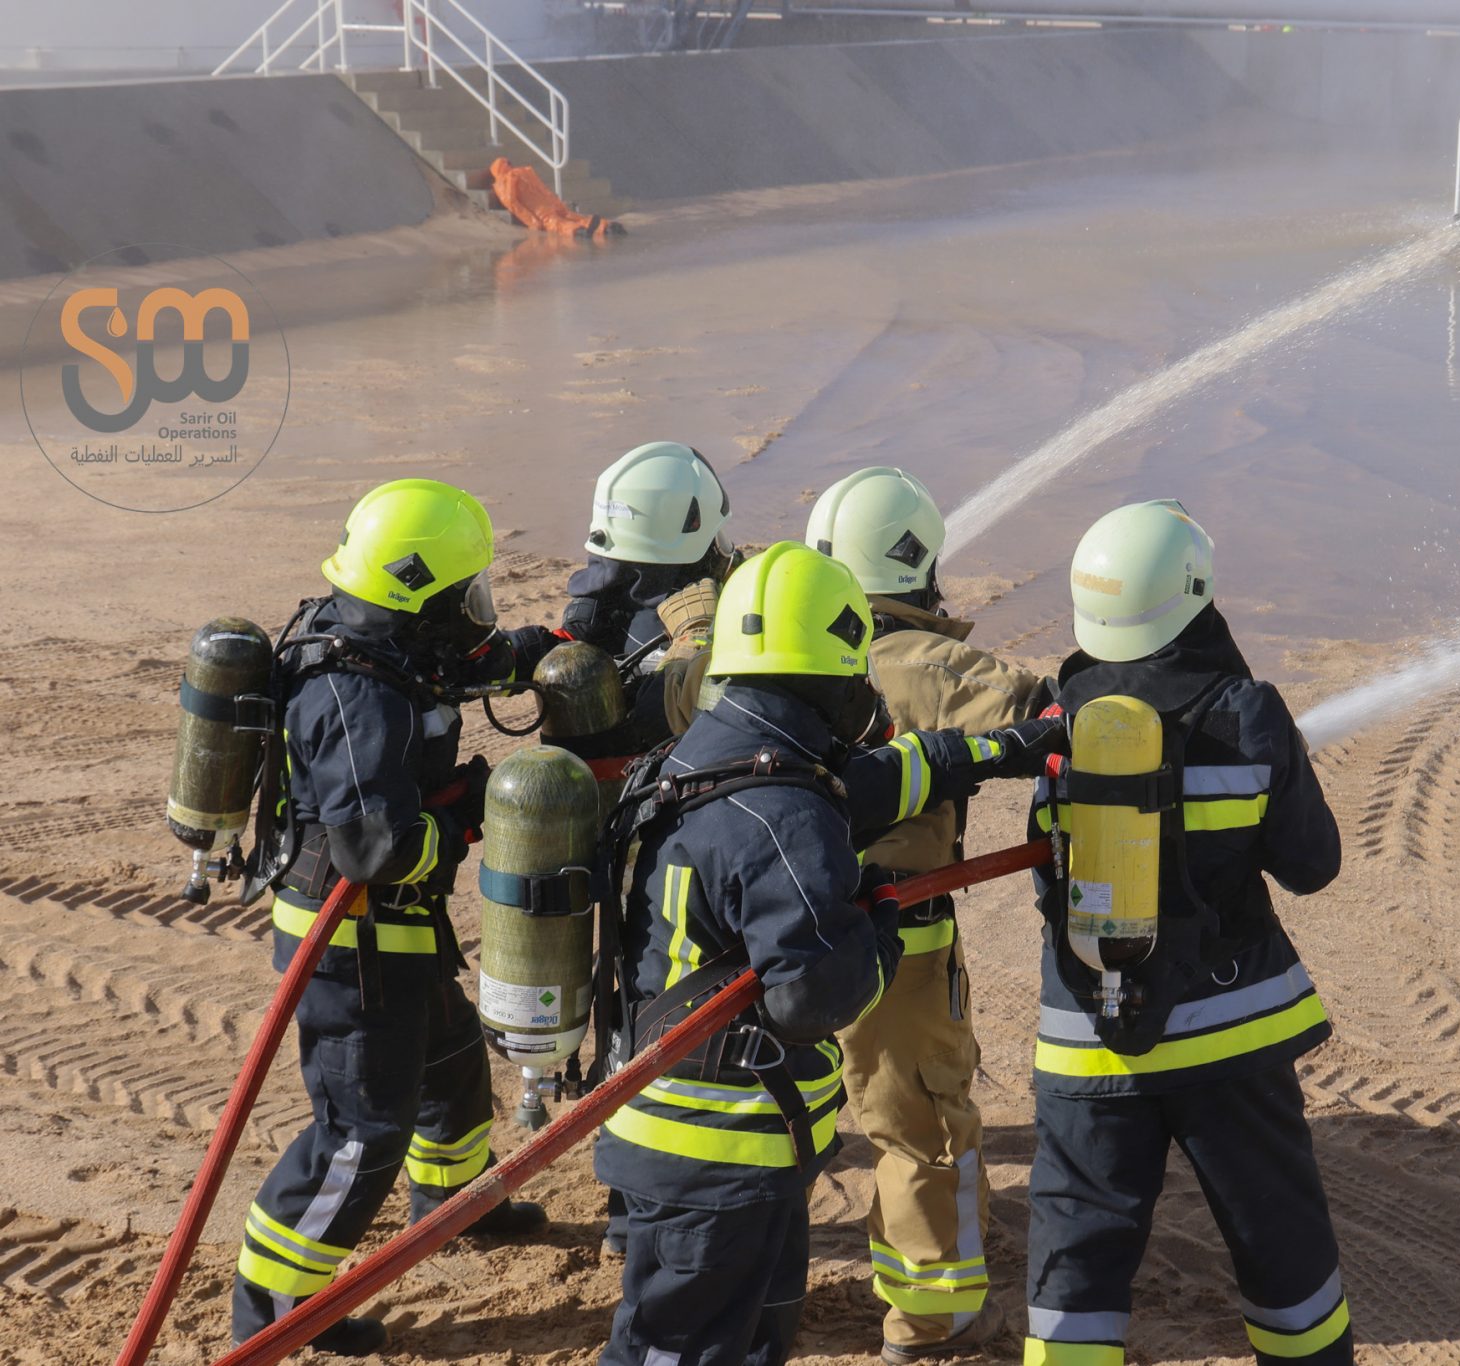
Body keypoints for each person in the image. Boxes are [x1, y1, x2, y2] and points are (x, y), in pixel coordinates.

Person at [594, 542, 1063, 1366]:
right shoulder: (786, 813)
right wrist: (877, 926)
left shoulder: (710, 753)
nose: (864, 692)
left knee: (749, 1334)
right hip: (719, 1157)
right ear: (822, 674)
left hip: (708, 1139)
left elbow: (874, 779)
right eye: (853, 673)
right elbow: (813, 996)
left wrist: (1007, 750)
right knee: (681, 1350)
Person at [1021, 500, 1349, 1366]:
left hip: (1087, 1041)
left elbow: (1042, 872)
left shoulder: (1061, 720)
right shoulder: (1249, 715)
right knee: (1282, 1246)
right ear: (1196, 597)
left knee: (1075, 1268)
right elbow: (1313, 865)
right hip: (1229, 1039)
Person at [230, 479, 546, 1356]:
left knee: (447, 1062)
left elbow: (452, 663)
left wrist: (540, 649)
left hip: (391, 935)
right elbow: (375, 848)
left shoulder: (371, 633)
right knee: (361, 1132)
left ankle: (455, 1206)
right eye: (462, 592)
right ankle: (278, 1306)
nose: (472, 607)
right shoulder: (358, 694)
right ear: (417, 590)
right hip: (352, 941)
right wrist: (467, 816)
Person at [804, 468, 1049, 1363]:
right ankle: (935, 1319)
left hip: (765, 937)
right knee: (923, 1128)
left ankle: (743, 1279)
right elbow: (1053, 716)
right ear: (915, 562)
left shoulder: (763, 649)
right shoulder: (932, 668)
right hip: (897, 953)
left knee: (777, 1114)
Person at [509, 441, 741, 743]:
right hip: (666, 776)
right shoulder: (720, 624)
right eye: (716, 537)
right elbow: (659, 717)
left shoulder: (602, 612)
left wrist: (509, 654)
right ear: (691, 535)